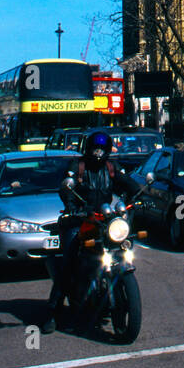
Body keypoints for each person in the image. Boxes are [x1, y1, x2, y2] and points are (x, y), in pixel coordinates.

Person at [40, 131, 132, 334]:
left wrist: (142, 195)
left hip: (104, 220)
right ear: (88, 149)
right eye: (95, 149)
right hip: (80, 219)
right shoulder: (78, 166)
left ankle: (113, 291)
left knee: (123, 245)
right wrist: (73, 206)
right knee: (70, 260)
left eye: (102, 149)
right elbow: (65, 189)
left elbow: (128, 183)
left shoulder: (111, 168)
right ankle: (51, 312)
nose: (98, 153)